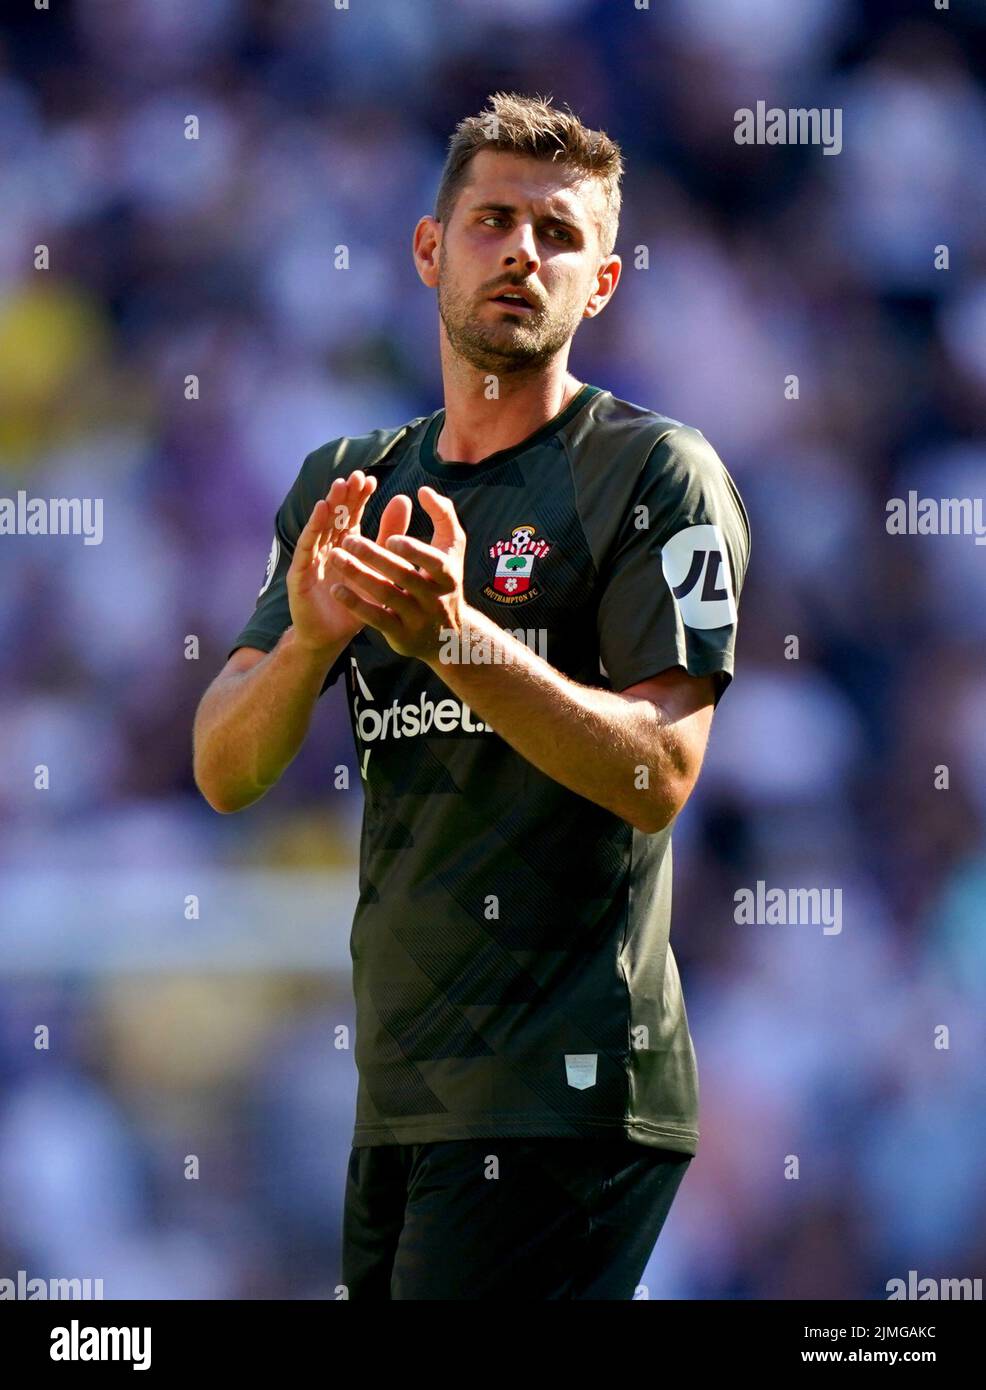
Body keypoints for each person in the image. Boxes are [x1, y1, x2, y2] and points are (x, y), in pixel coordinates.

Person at [193, 91, 751, 1300]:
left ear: (599, 284)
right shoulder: (348, 484)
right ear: (427, 248)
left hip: (567, 1090)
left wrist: (454, 637)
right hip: (400, 1095)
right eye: (493, 220)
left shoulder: (652, 474)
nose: (521, 254)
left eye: (559, 236)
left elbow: (658, 773)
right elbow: (224, 769)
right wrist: (306, 642)